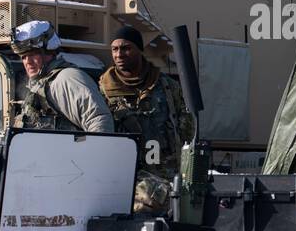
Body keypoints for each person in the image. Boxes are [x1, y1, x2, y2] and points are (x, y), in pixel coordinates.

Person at [98, 26, 194, 186]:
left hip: (166, 176)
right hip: (126, 175)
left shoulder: (167, 86)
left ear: (139, 50)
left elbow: (187, 128)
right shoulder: (102, 90)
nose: (119, 55)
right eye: (114, 49)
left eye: (126, 48)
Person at [10, 20, 113, 133]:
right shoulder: (41, 83)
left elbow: (99, 120)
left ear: (50, 51)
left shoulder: (67, 79)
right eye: (23, 56)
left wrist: (91, 150)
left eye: (33, 54)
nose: (27, 62)